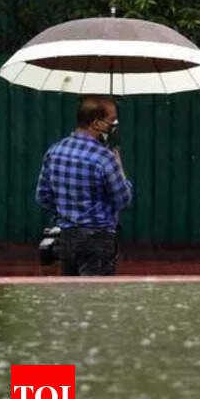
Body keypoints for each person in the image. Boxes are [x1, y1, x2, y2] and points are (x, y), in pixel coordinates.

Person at [36, 95, 133, 275]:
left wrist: (69, 211)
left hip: (66, 239)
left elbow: (43, 197)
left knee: (70, 298)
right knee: (95, 300)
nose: (114, 126)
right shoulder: (105, 157)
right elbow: (123, 199)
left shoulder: (55, 151)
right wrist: (119, 168)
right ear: (97, 124)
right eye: (112, 120)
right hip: (98, 242)